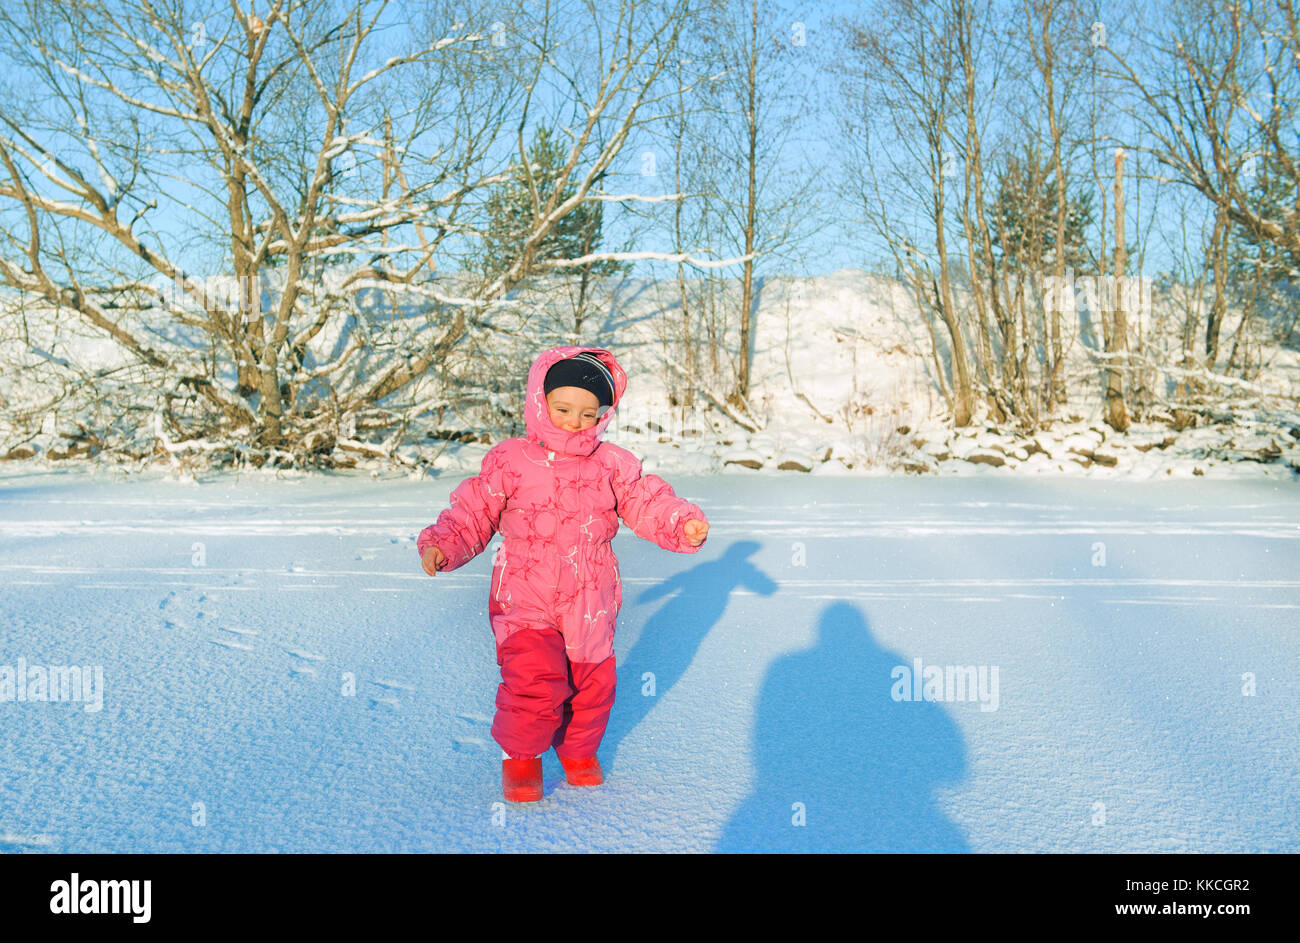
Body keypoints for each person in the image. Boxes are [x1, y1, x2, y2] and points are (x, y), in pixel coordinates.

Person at [416, 346, 710, 802]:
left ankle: (578, 752)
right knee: (534, 681)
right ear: (540, 403)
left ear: (603, 416)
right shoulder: (512, 460)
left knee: (593, 686)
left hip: (591, 600)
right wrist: (443, 543)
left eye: (588, 413)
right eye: (564, 409)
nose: (575, 421)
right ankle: (522, 758)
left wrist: (680, 522)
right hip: (524, 597)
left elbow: (646, 502)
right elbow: (474, 510)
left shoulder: (611, 464)